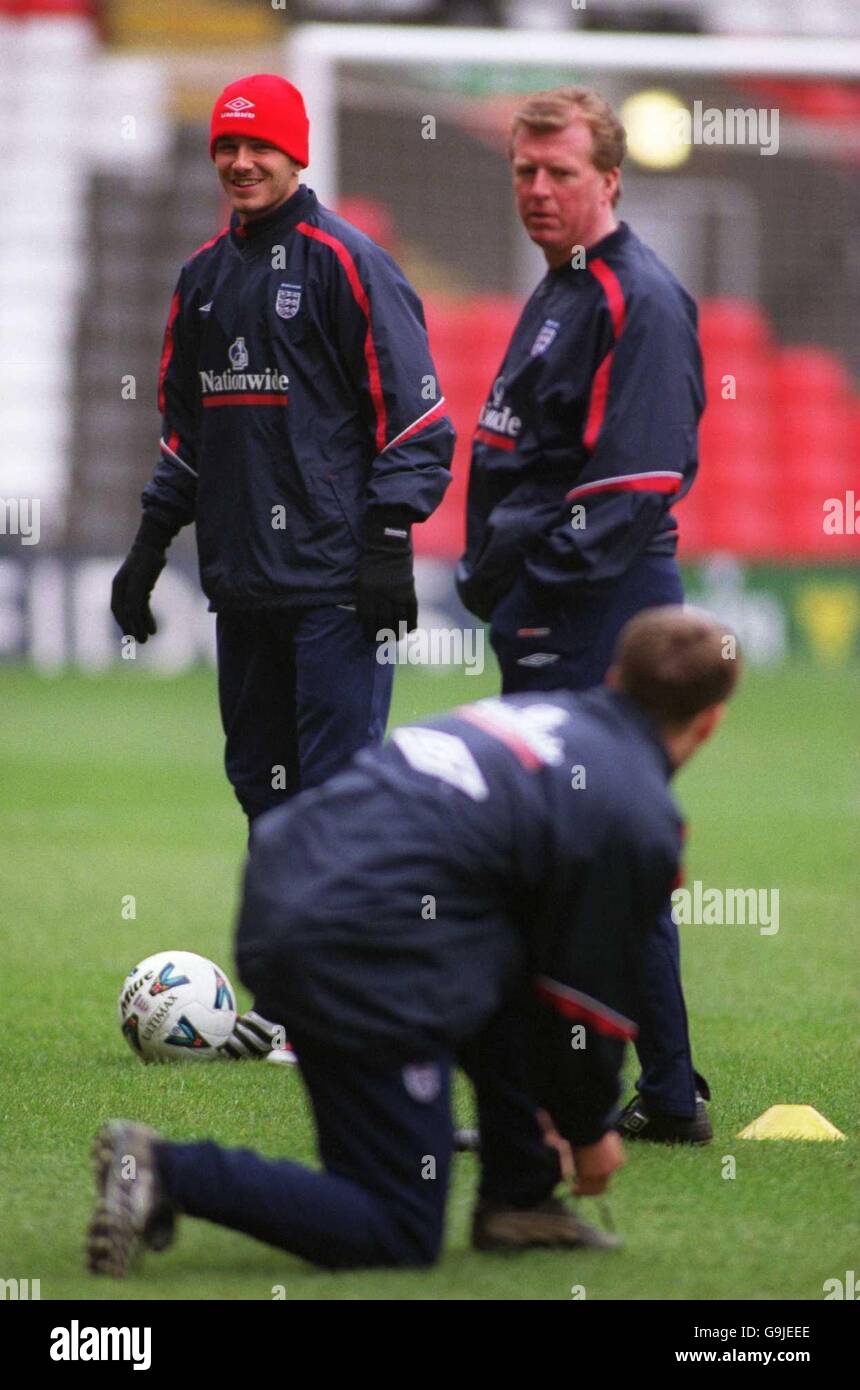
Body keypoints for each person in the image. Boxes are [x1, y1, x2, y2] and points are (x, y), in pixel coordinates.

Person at [86, 608, 741, 1277]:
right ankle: (163, 1168)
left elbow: (537, 976)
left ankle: (520, 1197)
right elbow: (586, 1001)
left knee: (512, 958)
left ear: (614, 675)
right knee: (397, 1225)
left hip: (288, 889)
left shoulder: (539, 715)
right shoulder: (635, 813)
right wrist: (589, 1129)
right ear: (711, 721)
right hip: (362, 939)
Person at [109, 74, 454, 1059]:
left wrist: (388, 538)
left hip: (337, 587)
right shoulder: (202, 279)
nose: (241, 161)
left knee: (335, 798)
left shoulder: (350, 264)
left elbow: (421, 418)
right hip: (244, 587)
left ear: (296, 153)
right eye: (226, 146)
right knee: (266, 795)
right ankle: (289, 1000)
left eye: (259, 146)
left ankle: (347, 1005)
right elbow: (185, 432)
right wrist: (146, 550)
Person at [456, 87, 708, 1141]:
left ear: (608, 177)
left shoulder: (632, 296)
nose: (538, 189)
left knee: (573, 856)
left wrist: (523, 590)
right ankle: (658, 1095)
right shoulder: (561, 287)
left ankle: (583, 1107)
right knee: (595, 853)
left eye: (559, 171)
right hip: (555, 609)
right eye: (523, 170)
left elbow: (630, 485)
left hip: (594, 611)